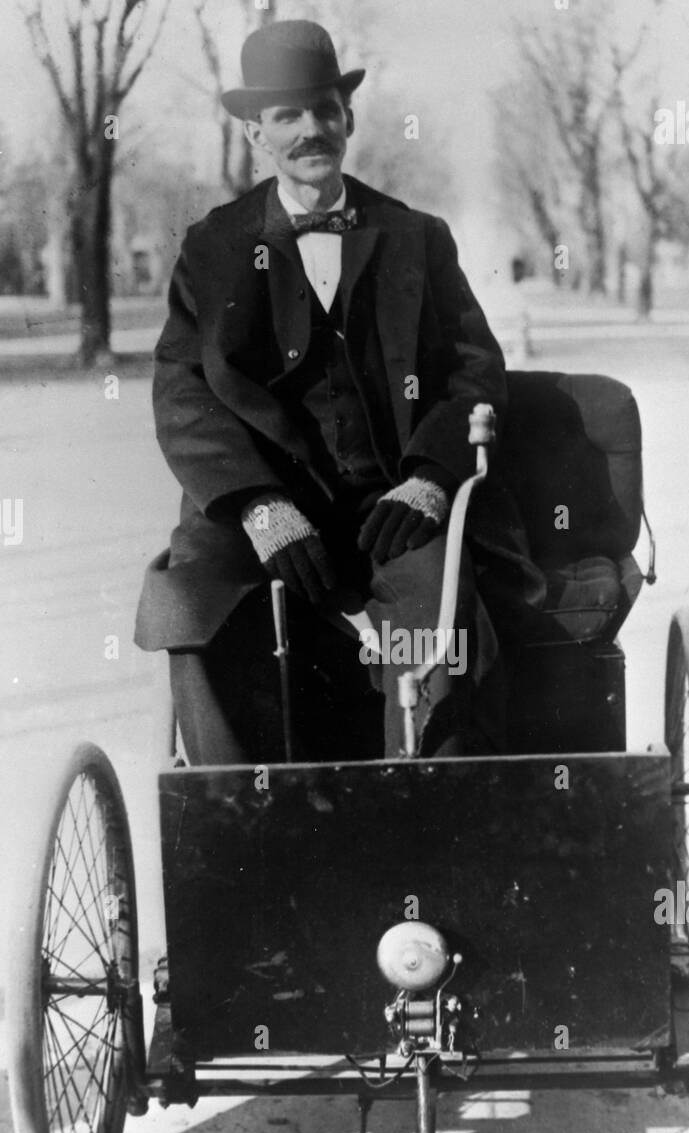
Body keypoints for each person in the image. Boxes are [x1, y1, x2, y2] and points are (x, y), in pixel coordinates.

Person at [135, 19, 545, 762]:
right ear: (257, 133)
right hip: (264, 509)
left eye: (325, 110)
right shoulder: (212, 249)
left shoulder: (416, 237)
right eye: (288, 115)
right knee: (194, 612)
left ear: (348, 118)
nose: (311, 130)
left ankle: (432, 833)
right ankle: (243, 836)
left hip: (392, 508)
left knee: (443, 630)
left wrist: (429, 480)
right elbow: (182, 392)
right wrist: (258, 506)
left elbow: (473, 369)